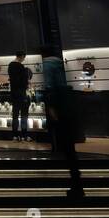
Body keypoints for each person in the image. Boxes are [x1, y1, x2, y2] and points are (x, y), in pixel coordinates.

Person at [42, 54, 83, 199]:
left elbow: (49, 86)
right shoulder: (61, 66)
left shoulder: (48, 65)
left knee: (67, 146)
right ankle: (76, 181)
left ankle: (76, 182)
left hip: (61, 109)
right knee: (69, 148)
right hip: (67, 107)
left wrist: (52, 105)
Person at [8, 52, 30, 141]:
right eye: (24, 58)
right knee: (24, 115)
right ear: (21, 57)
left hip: (14, 94)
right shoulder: (21, 67)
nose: (23, 59)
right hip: (22, 94)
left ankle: (15, 135)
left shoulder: (10, 66)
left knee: (15, 115)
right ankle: (24, 135)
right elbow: (25, 82)